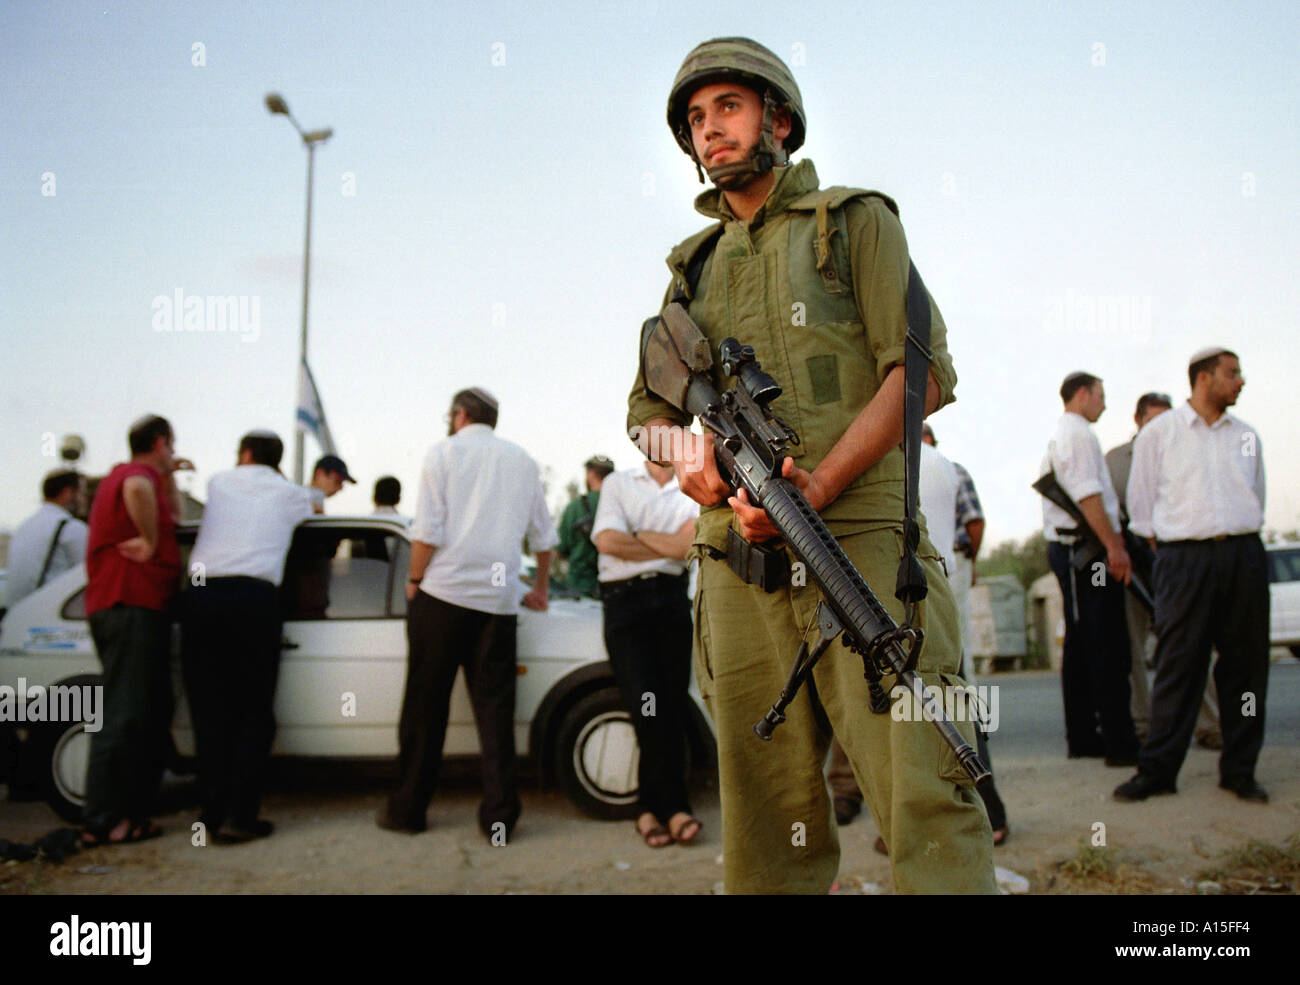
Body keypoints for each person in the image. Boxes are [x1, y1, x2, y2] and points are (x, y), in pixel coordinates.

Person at [627, 38, 995, 893]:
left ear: (778, 119)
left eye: (727, 108)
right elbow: (646, 418)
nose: (709, 130)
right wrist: (701, 468)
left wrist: (819, 484)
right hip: (737, 569)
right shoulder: (691, 276)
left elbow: (923, 372)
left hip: (862, 544)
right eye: (695, 118)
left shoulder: (855, 220)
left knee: (925, 786)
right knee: (764, 822)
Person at [378, 387, 557, 840]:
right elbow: (544, 537)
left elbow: (428, 532)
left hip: (443, 598)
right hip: (497, 605)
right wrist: (538, 589)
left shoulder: (442, 453)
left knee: (424, 709)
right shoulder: (522, 460)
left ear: (459, 415)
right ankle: (499, 818)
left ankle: (408, 811)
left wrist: (414, 580)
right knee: (495, 715)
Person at [1115, 348, 1270, 803]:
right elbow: (1141, 507)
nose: (1240, 381)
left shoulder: (1247, 436)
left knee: (1246, 669)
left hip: (1243, 555)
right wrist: (1176, 548)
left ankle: (1240, 771)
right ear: (1204, 378)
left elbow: (1254, 495)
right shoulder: (1161, 433)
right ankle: (1158, 772)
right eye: (1232, 374)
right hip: (1184, 561)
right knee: (1178, 667)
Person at [182, 430, 315, 842]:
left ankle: (210, 812)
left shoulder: (218, 482)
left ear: (243, 453)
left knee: (209, 710)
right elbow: (317, 502)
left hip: (202, 598)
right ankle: (241, 817)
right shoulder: (290, 493)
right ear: (277, 460)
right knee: (253, 711)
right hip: (253, 601)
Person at [81, 415, 191, 846]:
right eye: (172, 444)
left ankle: (129, 816)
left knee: (145, 714)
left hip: (139, 607)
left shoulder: (148, 476)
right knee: (125, 716)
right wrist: (147, 538)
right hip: (128, 604)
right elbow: (137, 489)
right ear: (161, 442)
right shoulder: (133, 475)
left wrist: (169, 477)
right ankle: (103, 821)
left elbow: (177, 517)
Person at [591, 458, 700, 847]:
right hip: (626, 605)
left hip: (671, 601)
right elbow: (605, 542)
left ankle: (652, 810)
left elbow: (688, 546)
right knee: (646, 704)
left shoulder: (692, 484)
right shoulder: (619, 482)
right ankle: (671, 807)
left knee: (670, 704)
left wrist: (636, 533)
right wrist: (665, 544)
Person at [1041, 372, 1140, 765]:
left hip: (1078, 549)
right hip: (1085, 550)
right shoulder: (1078, 434)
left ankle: (1085, 737)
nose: (1104, 403)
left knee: (1085, 646)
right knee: (1106, 646)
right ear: (1082, 394)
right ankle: (1120, 744)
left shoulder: (1069, 433)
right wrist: (1115, 548)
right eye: (1101, 395)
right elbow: (1088, 496)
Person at [5, 469, 88, 608]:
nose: (83, 500)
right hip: (50, 616)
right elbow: (89, 576)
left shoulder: (23, 527)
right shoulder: (71, 528)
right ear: (67, 493)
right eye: (81, 494)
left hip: (16, 615)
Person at [556, 455, 614, 598]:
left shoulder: (574, 507)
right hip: (614, 586)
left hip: (579, 586)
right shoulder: (622, 505)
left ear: (591, 474)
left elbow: (559, 551)